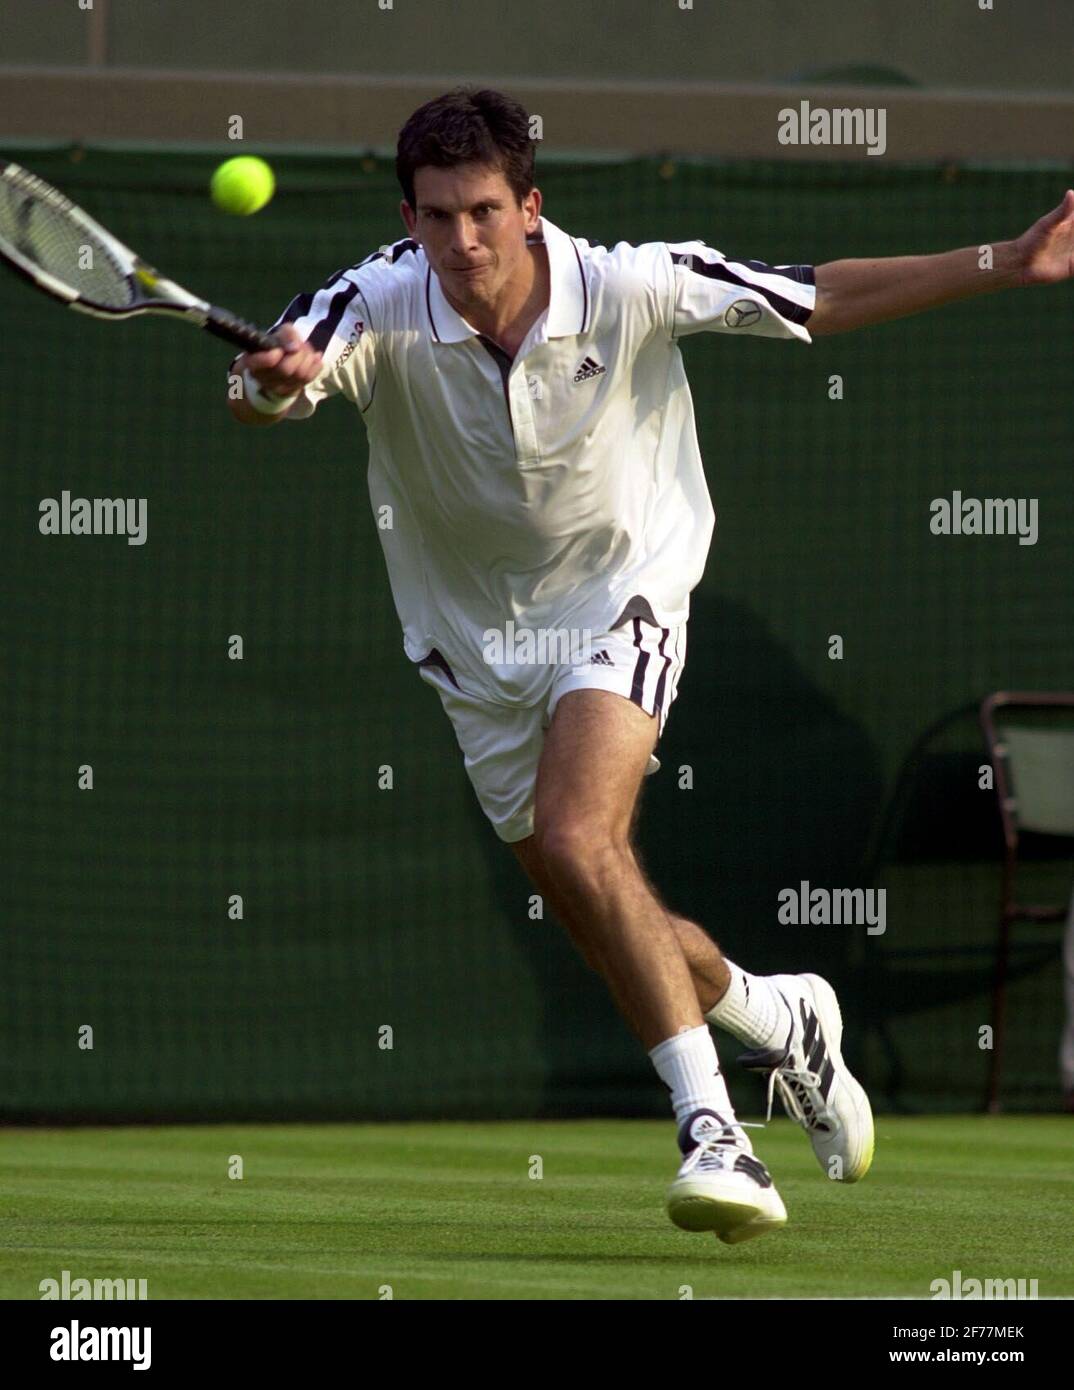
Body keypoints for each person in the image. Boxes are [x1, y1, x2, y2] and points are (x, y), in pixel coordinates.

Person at [228, 87, 1074, 1243]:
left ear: (531, 207)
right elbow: (278, 379)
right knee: (598, 907)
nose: (461, 243)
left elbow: (818, 298)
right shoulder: (371, 303)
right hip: (472, 656)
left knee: (584, 839)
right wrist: (268, 386)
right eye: (436, 217)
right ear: (408, 217)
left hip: (620, 594)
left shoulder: (630, 283)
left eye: (483, 211)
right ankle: (781, 1020)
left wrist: (1004, 257)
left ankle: (713, 1130)